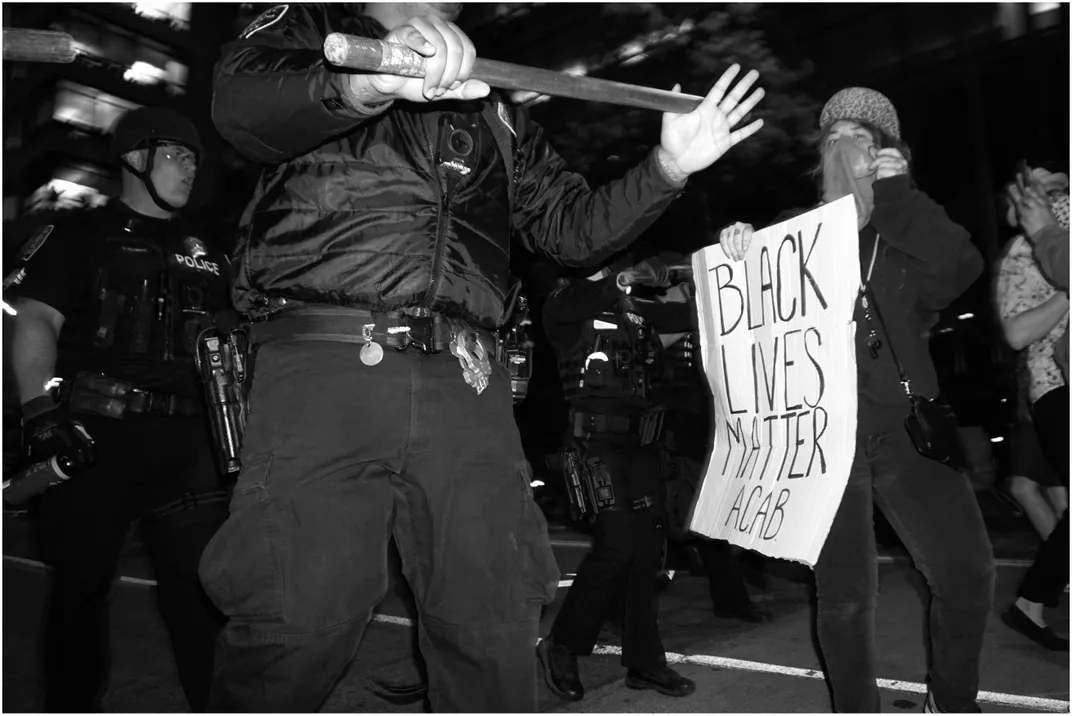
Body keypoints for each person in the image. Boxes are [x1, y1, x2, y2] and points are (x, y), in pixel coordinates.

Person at [201, 3, 766, 712]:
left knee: (492, 620)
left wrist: (667, 167)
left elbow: (572, 231)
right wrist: (366, 84)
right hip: (326, 361)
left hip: (468, 384)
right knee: (296, 618)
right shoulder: (310, 21)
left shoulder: (493, 110)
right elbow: (241, 107)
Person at [718, 87, 994, 713]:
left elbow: (960, 270)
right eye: (837, 137)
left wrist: (899, 197)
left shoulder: (907, 226)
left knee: (967, 576)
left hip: (906, 428)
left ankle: (952, 702)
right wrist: (738, 249)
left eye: (867, 140)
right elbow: (752, 318)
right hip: (824, 438)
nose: (850, 148)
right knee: (844, 596)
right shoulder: (795, 236)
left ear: (891, 155)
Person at [6, 107, 231, 712]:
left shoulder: (209, 248)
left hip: (188, 441)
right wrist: (37, 413)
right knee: (80, 590)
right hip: (97, 436)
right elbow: (33, 319)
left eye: (195, 157)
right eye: (177, 153)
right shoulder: (78, 232)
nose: (190, 165)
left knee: (200, 594)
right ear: (135, 157)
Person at [537, 257, 698, 701]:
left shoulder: (635, 309)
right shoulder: (564, 302)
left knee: (647, 552)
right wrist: (625, 279)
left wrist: (705, 273)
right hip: (595, 446)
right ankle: (563, 644)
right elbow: (593, 294)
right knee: (618, 545)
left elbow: (694, 315)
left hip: (642, 445)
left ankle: (645, 663)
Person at [999, 168, 1070, 651]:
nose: (1057, 190)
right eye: (1047, 187)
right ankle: (1032, 600)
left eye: (1060, 183)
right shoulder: (1024, 252)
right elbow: (1017, 334)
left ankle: (1033, 602)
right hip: (1055, 388)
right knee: (1026, 486)